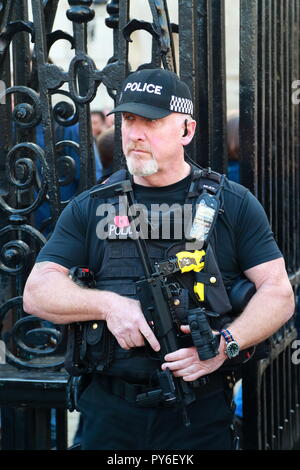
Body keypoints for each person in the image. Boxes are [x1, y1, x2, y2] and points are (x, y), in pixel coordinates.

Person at [23, 68, 295, 450]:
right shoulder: (92, 205)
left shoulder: (232, 203)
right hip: (109, 410)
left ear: (186, 130)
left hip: (199, 413)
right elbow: (37, 292)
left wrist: (226, 344)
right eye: (128, 119)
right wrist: (109, 305)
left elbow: (278, 293)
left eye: (150, 121)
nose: (134, 133)